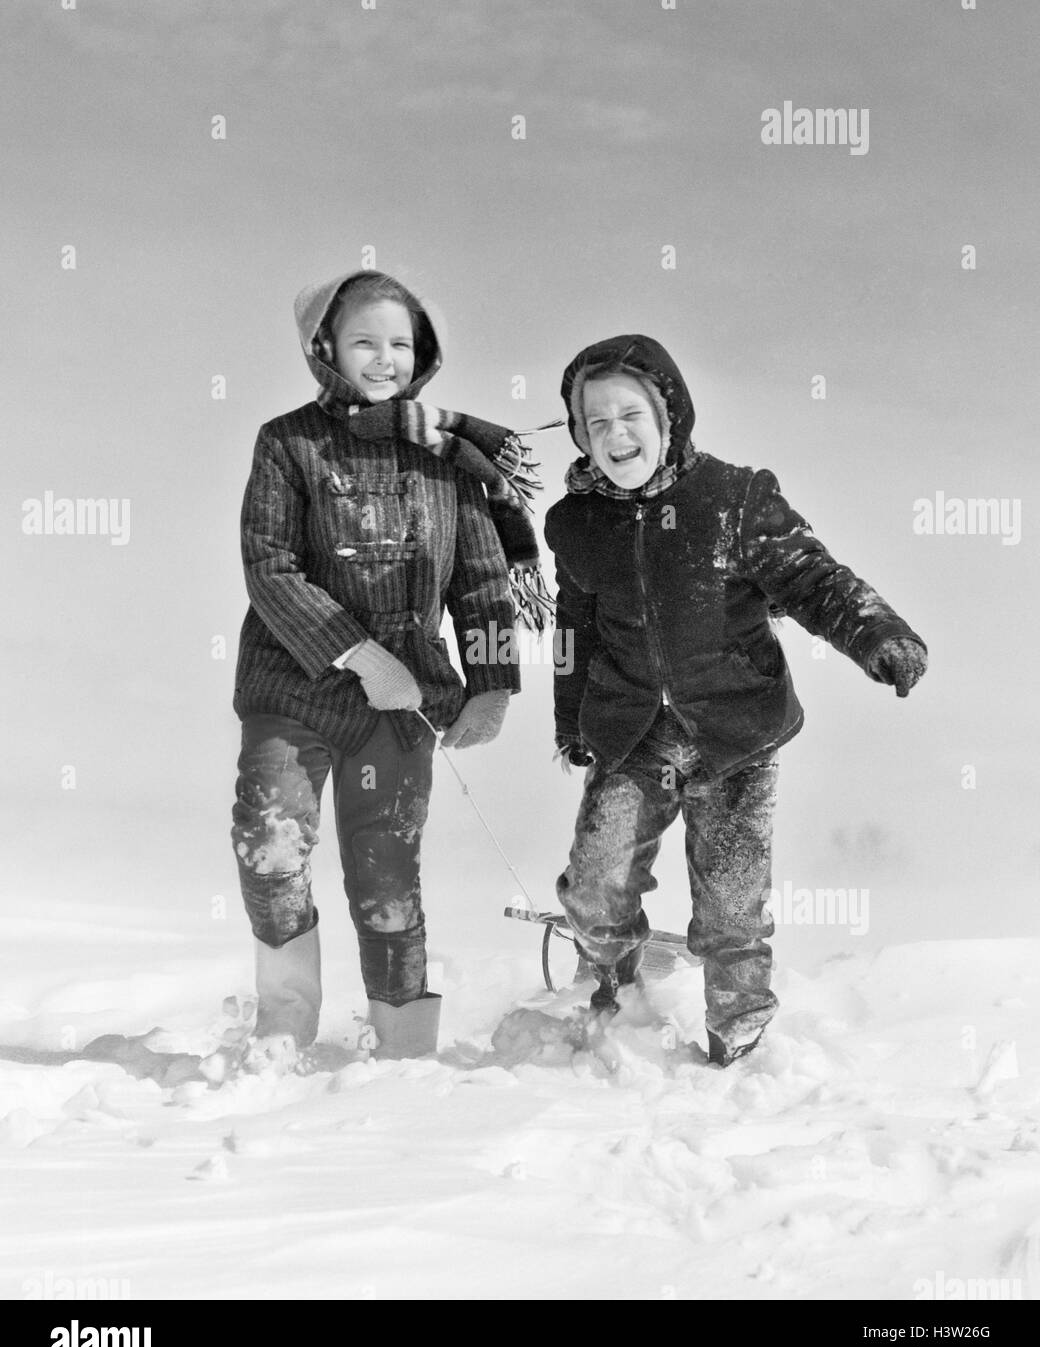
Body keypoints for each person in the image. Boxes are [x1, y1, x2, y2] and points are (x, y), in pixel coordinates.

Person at [544, 334, 928, 1066]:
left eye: (630, 415)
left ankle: (739, 1038)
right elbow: (576, 632)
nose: (615, 435)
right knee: (594, 888)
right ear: (580, 437)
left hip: (734, 733)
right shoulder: (576, 525)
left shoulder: (734, 498)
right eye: (596, 424)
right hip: (633, 734)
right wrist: (571, 724)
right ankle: (615, 988)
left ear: (670, 415)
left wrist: (876, 633)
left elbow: (813, 578)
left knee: (730, 909)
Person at [231, 269, 548, 1067]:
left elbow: (479, 581)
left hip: (402, 704)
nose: (384, 359)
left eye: (400, 343)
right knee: (269, 847)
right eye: (364, 341)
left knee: (385, 880)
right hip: (292, 688)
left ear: (423, 354)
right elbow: (269, 567)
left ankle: (404, 1044)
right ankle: (285, 1019)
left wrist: (495, 687)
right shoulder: (287, 442)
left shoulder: (447, 458)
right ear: (326, 348)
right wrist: (360, 653)